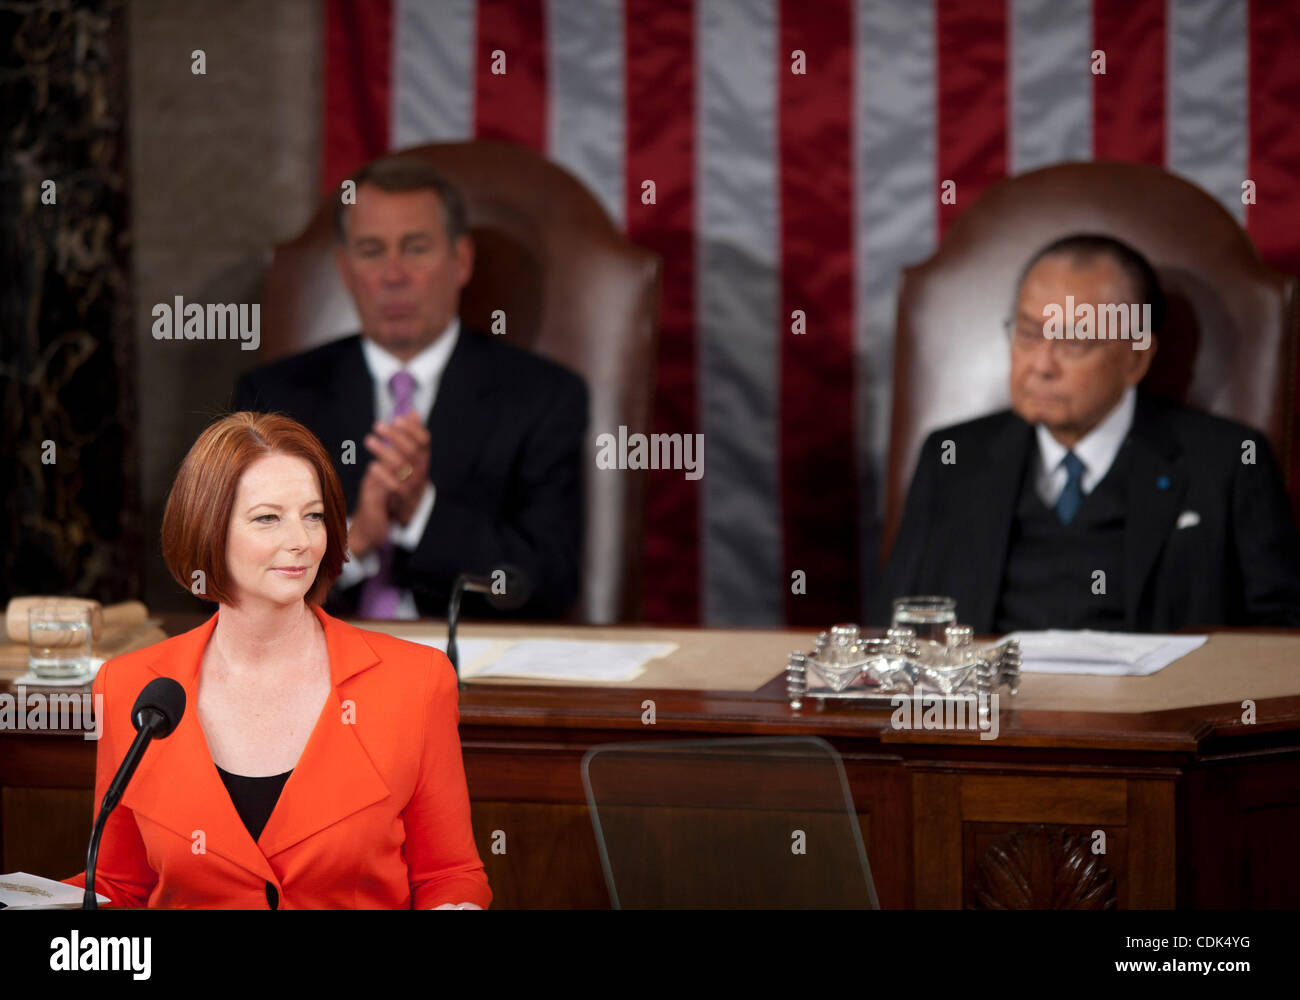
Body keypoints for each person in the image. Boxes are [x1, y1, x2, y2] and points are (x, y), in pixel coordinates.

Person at [63, 412, 491, 909]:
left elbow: (449, 874)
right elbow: (117, 884)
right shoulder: (129, 686)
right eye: (268, 517)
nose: (302, 541)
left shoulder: (416, 682)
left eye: (313, 516)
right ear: (206, 527)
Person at [874, 233, 1300, 633]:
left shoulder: (1228, 462)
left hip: (1151, 708)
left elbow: (1279, 640)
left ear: (1136, 357)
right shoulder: (953, 458)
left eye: (1073, 342)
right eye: (1028, 334)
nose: (1041, 365)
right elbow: (896, 624)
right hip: (995, 708)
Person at [233, 155, 587, 620]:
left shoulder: (544, 396)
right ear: (345, 268)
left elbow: (550, 581)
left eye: (415, 248)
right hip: (321, 664)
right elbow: (226, 575)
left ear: (460, 261)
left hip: (469, 667)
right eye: (372, 251)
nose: (393, 275)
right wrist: (354, 540)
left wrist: (422, 512)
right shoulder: (274, 397)